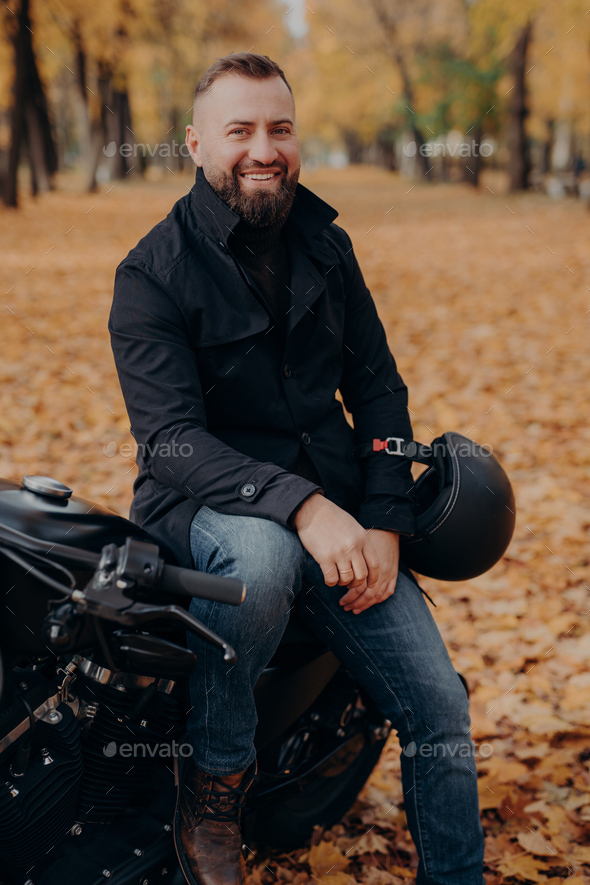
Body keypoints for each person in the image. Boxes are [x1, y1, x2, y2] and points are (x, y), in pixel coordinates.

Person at [109, 52, 484, 885]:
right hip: (208, 514)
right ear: (197, 144)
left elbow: (381, 392)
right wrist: (306, 507)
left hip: (348, 526)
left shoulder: (329, 247)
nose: (263, 148)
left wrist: (383, 519)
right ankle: (213, 781)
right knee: (262, 553)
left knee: (441, 708)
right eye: (240, 130)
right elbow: (170, 439)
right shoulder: (150, 274)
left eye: (279, 128)